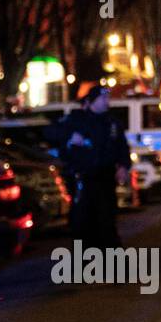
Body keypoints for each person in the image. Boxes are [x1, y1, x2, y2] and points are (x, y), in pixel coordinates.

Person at [44, 83, 131, 248]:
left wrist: (123, 166)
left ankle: (111, 264)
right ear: (92, 101)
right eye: (103, 98)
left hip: (105, 178)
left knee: (106, 221)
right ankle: (85, 265)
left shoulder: (112, 123)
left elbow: (122, 148)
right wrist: (70, 136)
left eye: (107, 98)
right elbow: (50, 131)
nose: (107, 102)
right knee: (83, 223)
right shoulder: (77, 120)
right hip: (83, 179)